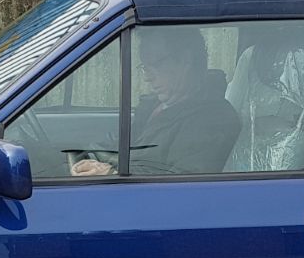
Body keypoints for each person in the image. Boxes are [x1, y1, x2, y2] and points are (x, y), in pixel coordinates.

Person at [72, 27, 240, 176]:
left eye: (155, 65)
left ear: (185, 60)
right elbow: (120, 144)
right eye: (145, 67)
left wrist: (111, 173)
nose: (147, 77)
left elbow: (182, 183)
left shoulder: (213, 121)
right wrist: (91, 156)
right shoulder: (154, 105)